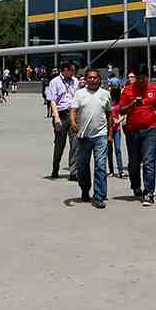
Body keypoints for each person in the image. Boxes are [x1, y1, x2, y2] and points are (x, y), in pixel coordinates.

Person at [115, 64, 156, 206]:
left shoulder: (153, 89)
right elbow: (121, 111)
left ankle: (149, 192)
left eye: (143, 78)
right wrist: (132, 105)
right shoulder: (127, 91)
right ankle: (136, 186)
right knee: (134, 164)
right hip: (132, 131)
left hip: (150, 130)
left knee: (149, 161)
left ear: (147, 77)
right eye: (138, 78)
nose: (141, 81)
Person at [71, 68, 114, 208]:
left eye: (95, 78)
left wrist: (109, 134)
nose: (92, 80)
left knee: (101, 166)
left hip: (100, 135)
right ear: (85, 79)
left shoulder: (105, 94)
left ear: (99, 79)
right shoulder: (79, 94)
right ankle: (85, 189)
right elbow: (73, 111)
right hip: (83, 136)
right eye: (89, 77)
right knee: (82, 167)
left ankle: (99, 196)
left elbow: (109, 115)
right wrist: (73, 123)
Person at [45, 61, 80, 179]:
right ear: (65, 70)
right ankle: (55, 168)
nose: (74, 73)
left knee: (75, 144)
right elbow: (52, 101)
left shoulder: (76, 81)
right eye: (72, 70)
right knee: (59, 145)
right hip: (61, 115)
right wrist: (56, 118)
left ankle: (73, 172)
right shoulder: (54, 82)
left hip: (74, 115)